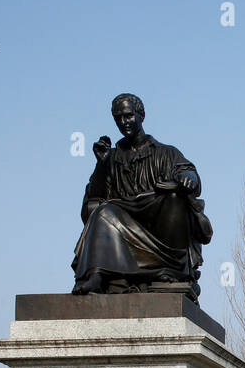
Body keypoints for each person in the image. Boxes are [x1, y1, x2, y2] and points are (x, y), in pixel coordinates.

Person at [71, 93, 213, 299]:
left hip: (159, 225)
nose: (123, 122)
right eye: (118, 118)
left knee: (175, 198)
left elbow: (189, 172)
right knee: (103, 212)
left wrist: (189, 177)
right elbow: (90, 206)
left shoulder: (166, 153)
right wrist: (101, 165)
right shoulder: (112, 158)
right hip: (123, 222)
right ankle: (97, 274)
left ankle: (170, 269)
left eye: (128, 116)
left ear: (141, 115)